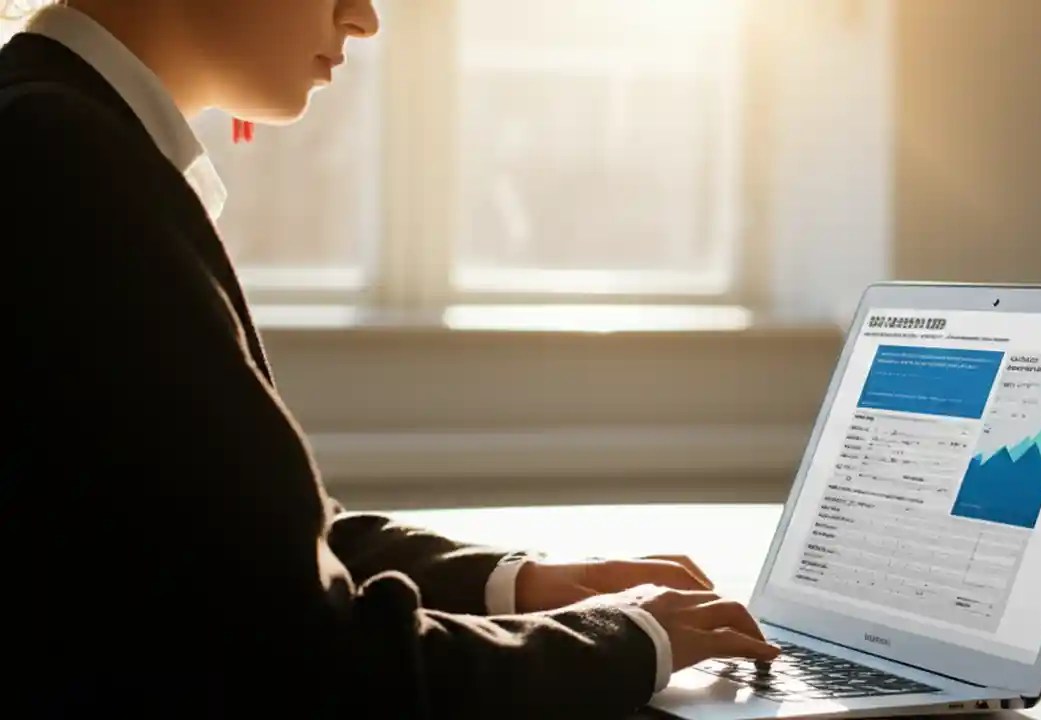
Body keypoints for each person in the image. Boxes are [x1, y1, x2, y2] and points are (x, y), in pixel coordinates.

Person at [0, 1, 780, 716]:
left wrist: (515, 583)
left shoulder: (63, 132)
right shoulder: (66, 166)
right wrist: (627, 642)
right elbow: (308, 661)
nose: (364, 18)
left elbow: (244, 555)